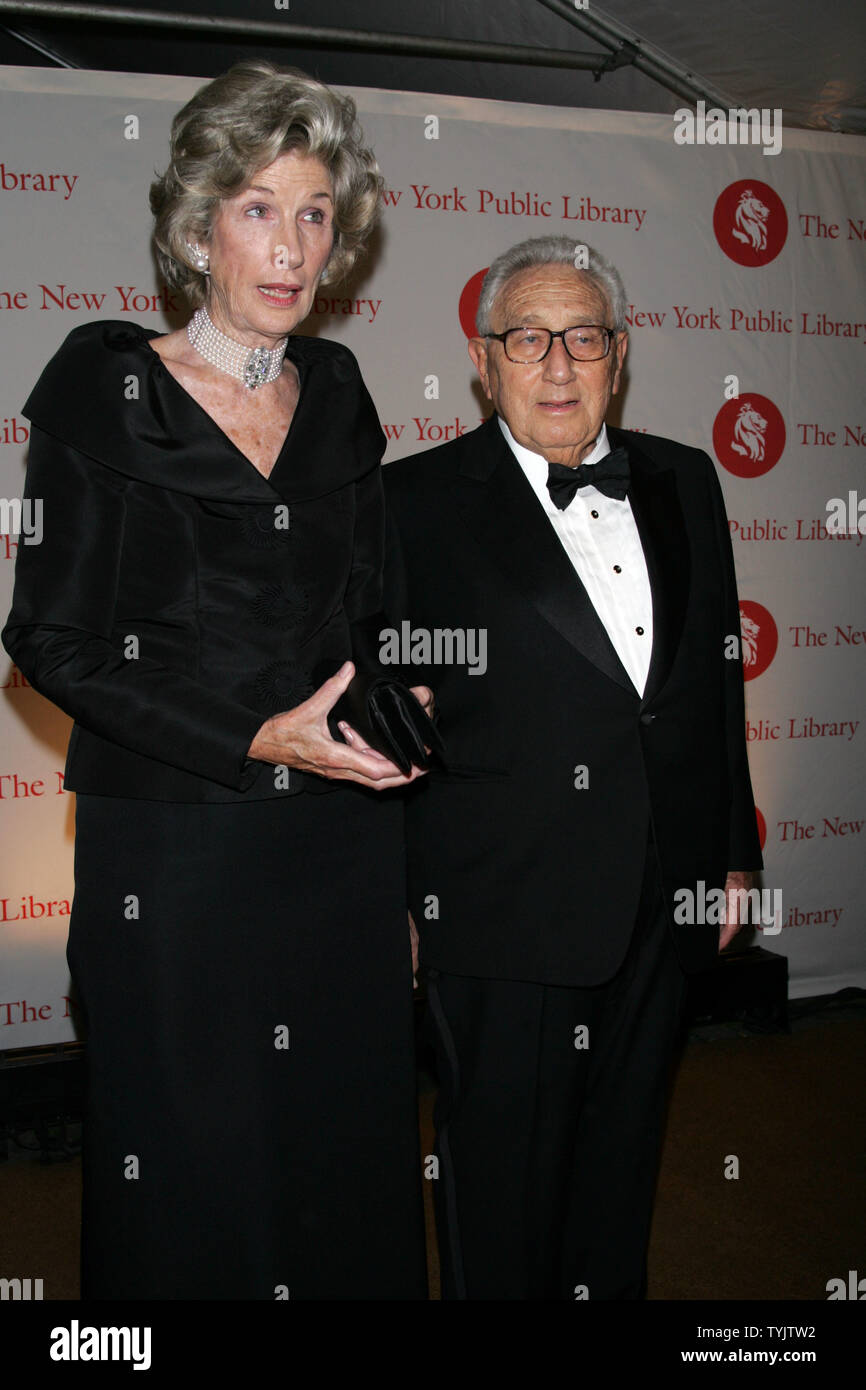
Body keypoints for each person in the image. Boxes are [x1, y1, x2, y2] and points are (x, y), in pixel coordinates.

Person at [2, 60, 434, 1301]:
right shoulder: (104, 386)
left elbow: (373, 629)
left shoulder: (342, 394)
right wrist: (253, 736)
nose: (291, 245)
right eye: (257, 207)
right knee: (191, 1165)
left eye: (313, 213)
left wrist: (401, 809)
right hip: (175, 862)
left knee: (341, 1152)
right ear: (195, 229)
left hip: (340, 855)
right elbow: (50, 639)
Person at [383, 235, 763, 1301]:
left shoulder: (683, 478)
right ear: (483, 357)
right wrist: (394, 892)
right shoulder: (409, 503)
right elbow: (382, 716)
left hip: (660, 892)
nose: (557, 364)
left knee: (620, 1164)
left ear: (618, 352)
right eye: (528, 338)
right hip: (500, 904)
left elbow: (709, 682)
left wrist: (728, 850)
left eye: (582, 337)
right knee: (500, 1183)